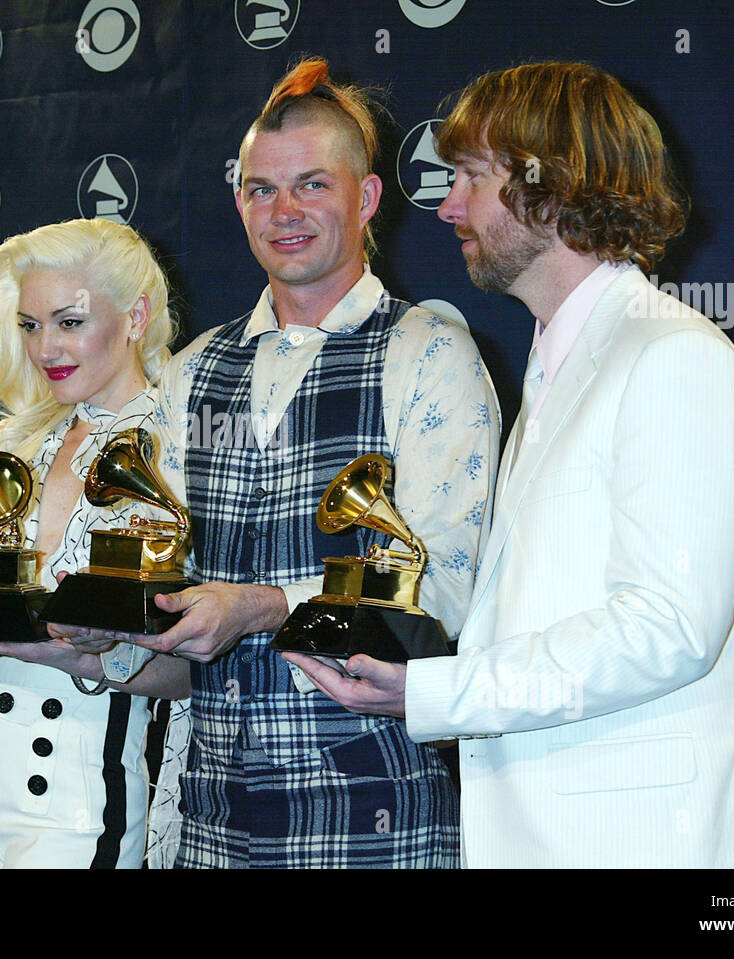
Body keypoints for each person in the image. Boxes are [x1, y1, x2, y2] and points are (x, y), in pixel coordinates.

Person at [288, 61, 734, 867]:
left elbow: (668, 627)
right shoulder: (558, 365)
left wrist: (436, 691)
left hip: (657, 838)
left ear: (550, 186)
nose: (445, 204)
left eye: (468, 176)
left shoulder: (673, 358)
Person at [76, 59, 498, 867]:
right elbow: (169, 600)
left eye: (311, 184)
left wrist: (266, 605)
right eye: (260, 189)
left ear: (367, 198)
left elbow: (447, 592)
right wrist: (95, 638)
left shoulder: (428, 353)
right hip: (213, 819)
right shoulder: (194, 369)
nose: (284, 212)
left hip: (379, 810)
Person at [0, 218, 191, 869]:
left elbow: (191, 668)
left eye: (69, 321)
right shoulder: (11, 444)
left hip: (72, 785)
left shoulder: (179, 449)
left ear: (136, 315)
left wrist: (62, 652)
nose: (46, 347)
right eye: (31, 325)